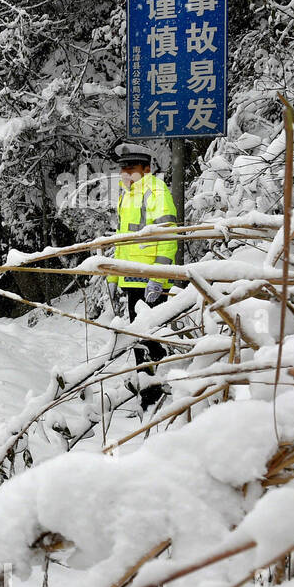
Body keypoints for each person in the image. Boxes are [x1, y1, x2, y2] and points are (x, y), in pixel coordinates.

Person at [109, 142, 178, 412]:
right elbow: (122, 237)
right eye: (123, 168)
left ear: (147, 169)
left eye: (132, 168)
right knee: (140, 340)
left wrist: (158, 278)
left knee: (150, 341)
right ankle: (147, 395)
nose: (126, 172)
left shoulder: (156, 191)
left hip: (149, 278)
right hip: (131, 278)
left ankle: (155, 396)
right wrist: (113, 277)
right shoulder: (127, 194)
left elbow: (168, 234)